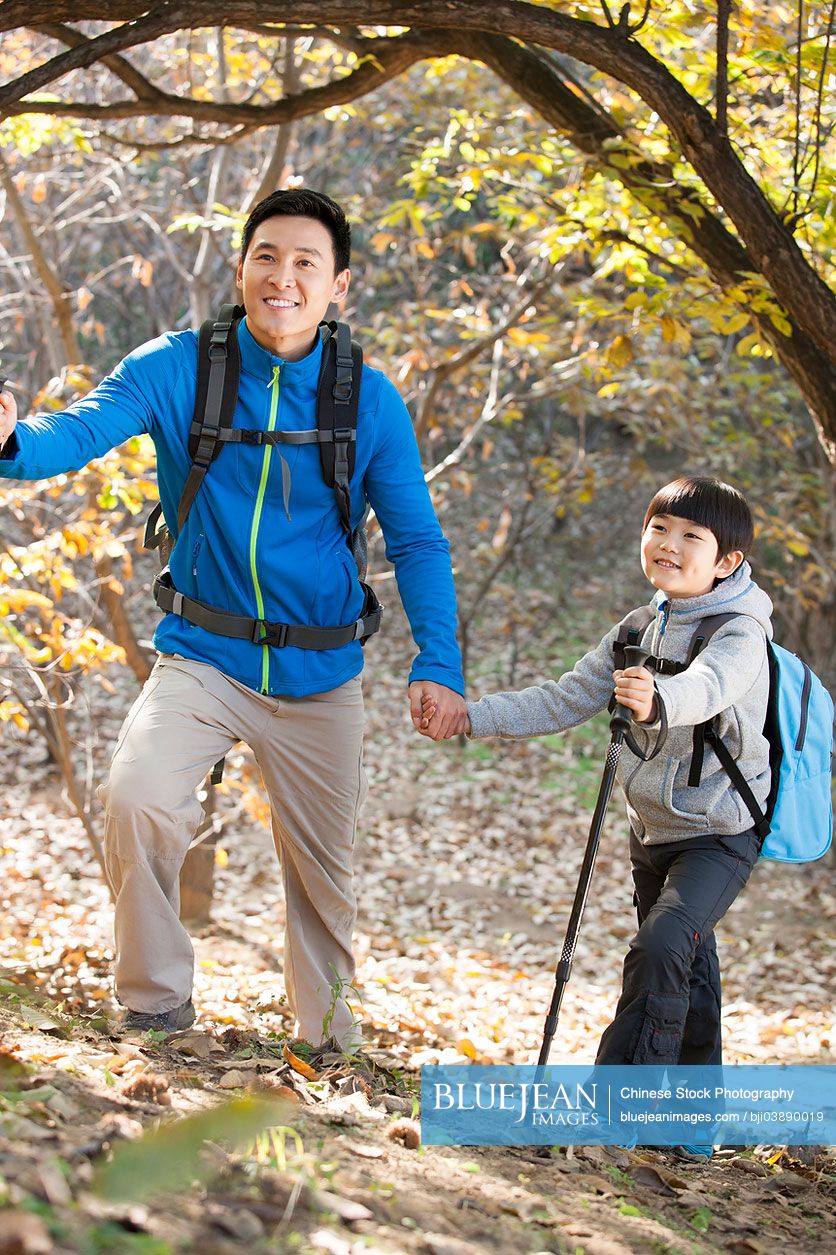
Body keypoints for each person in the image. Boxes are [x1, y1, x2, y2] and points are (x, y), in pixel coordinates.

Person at [0, 188, 466, 1048]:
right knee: (136, 796)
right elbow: (79, 431)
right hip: (202, 655)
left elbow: (419, 543)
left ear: (339, 285)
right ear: (240, 265)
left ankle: (325, 1039)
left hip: (321, 672)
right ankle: (154, 1001)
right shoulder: (179, 367)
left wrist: (440, 661)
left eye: (305, 263)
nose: (282, 277)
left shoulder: (368, 400)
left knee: (323, 874)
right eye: (266, 256)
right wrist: (10, 442)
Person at [423, 477, 771, 1158]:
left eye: (691, 537)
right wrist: (471, 715)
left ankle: (613, 1115)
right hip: (656, 831)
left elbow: (709, 688)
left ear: (726, 560)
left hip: (721, 832)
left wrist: (659, 696)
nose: (668, 545)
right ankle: (693, 1128)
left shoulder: (741, 631)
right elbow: (563, 699)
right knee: (687, 967)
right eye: (659, 528)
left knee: (662, 947)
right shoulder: (638, 628)